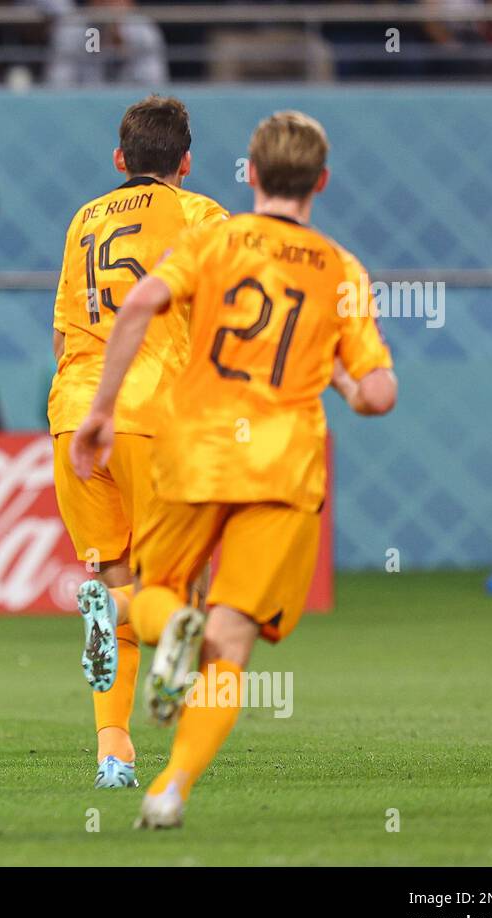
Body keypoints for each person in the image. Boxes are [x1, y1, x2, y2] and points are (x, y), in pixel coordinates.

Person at [70, 111, 397, 828]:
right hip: (282, 471)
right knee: (232, 644)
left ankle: (160, 619)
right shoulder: (342, 270)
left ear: (248, 172)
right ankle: (171, 789)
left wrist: (99, 407)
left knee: (155, 594)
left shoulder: (210, 240)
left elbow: (143, 303)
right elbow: (379, 395)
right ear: (322, 181)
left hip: (193, 450)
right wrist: (343, 381)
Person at [48, 95, 227, 791]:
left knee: (111, 577)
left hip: (75, 417)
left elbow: (63, 335)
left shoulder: (84, 218)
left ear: (120, 160)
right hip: (157, 412)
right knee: (183, 591)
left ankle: (114, 757)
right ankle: (180, 743)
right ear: (185, 163)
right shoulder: (203, 214)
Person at [46, 0, 168, 87]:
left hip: (132, 110)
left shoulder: (144, 29)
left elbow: (155, 84)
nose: (109, 4)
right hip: (84, 108)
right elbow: (58, 84)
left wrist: (123, 49)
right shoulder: (72, 27)